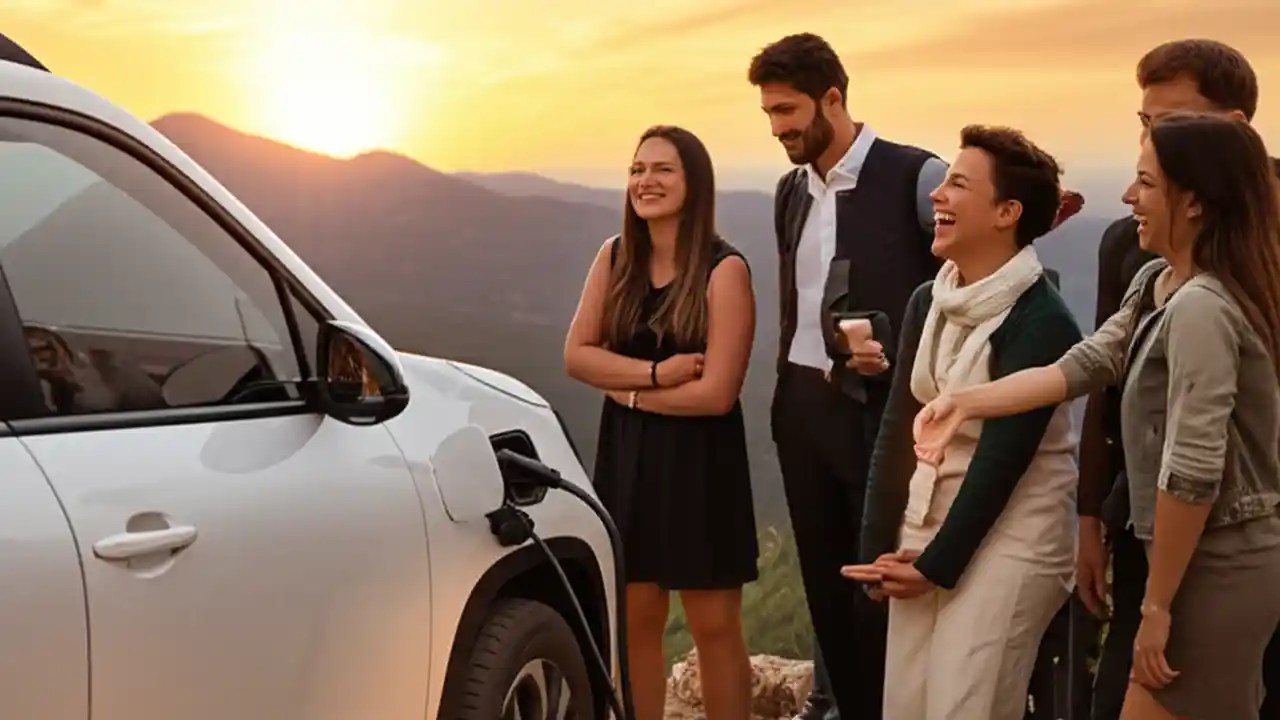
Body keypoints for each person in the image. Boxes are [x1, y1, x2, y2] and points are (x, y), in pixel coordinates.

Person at [914, 112, 1280, 720]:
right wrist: (964, 401)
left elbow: (1191, 473)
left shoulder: (1200, 311)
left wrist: (1156, 607)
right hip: (1198, 562)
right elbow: (1080, 366)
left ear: (1193, 203)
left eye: (1147, 183)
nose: (1128, 196)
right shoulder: (1159, 286)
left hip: (1219, 567)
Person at [844, 125, 1083, 719]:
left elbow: (1002, 463)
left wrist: (934, 567)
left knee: (963, 706)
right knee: (905, 704)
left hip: (1014, 533)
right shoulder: (930, 299)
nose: (936, 196)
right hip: (933, 521)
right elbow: (899, 431)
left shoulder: (1040, 318)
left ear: (1007, 212)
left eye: (956, 184)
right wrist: (880, 553)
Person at [1074, 38, 1280, 719]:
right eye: (1145, 124)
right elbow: (1107, 381)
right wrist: (1089, 516)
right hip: (1154, 528)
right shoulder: (1130, 249)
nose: (1154, 141)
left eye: (1172, 123)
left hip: (1243, 541)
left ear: (1235, 127)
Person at [746, 32, 949, 719]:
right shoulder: (789, 191)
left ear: (833, 97)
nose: (779, 128)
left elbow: (967, 281)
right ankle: (846, 707)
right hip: (801, 410)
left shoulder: (917, 176)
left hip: (883, 417)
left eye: (789, 111)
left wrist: (897, 350)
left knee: (880, 585)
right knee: (826, 580)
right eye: (770, 114)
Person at [564, 125, 758, 720]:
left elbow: (717, 395)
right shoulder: (615, 257)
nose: (645, 181)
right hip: (627, 458)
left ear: (693, 182)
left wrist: (628, 394)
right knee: (636, 616)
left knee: (714, 623)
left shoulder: (725, 271)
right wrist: (656, 375)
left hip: (701, 465)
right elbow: (576, 356)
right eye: (636, 170)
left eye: (662, 170)